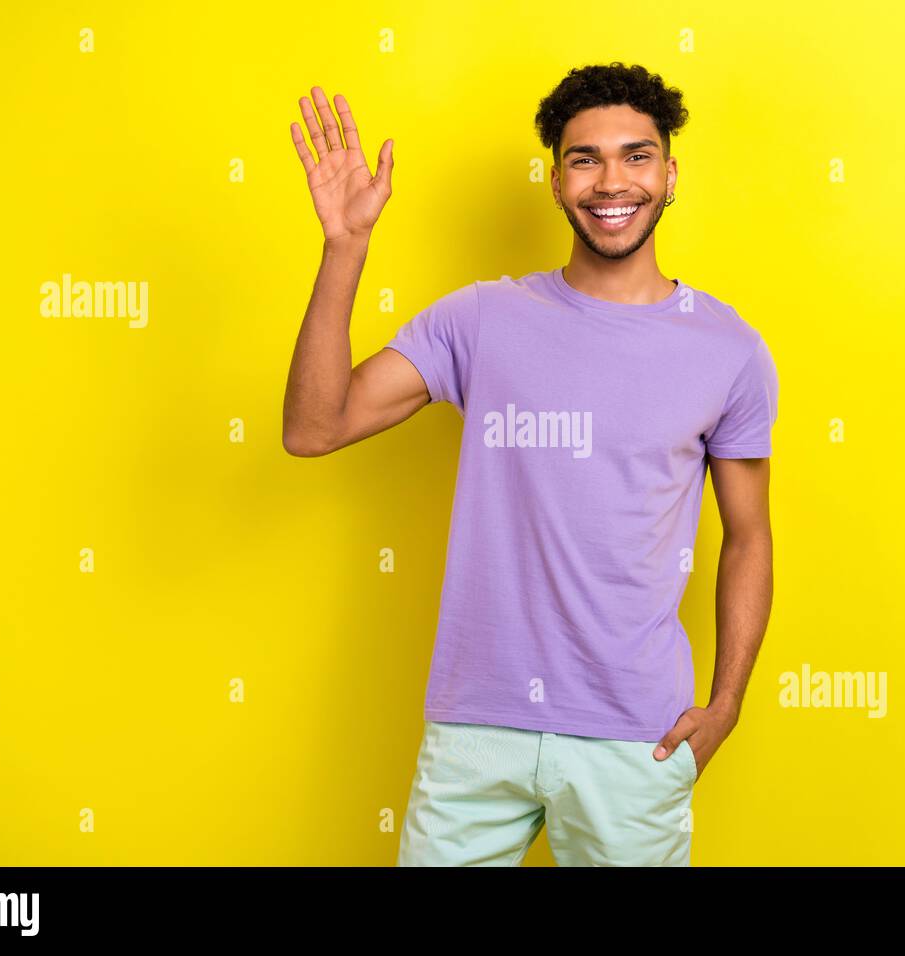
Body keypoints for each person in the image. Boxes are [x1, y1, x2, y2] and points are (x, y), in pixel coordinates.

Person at [282, 62, 778, 866]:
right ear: (554, 183)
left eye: (636, 155)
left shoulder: (730, 350)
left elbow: (748, 536)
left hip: (634, 741)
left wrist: (725, 706)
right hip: (476, 729)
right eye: (584, 159)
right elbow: (313, 427)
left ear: (670, 172)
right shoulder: (481, 319)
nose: (611, 180)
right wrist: (346, 246)